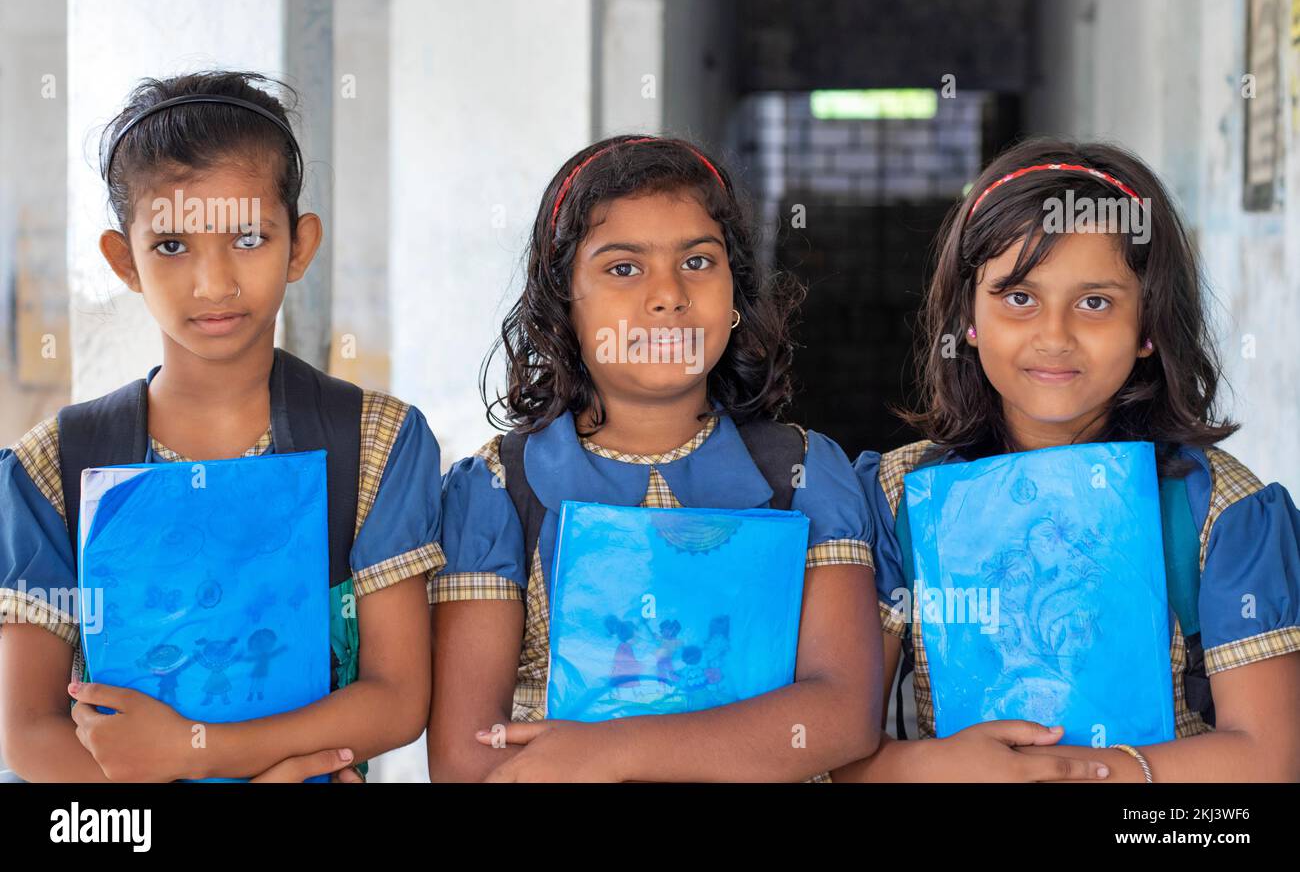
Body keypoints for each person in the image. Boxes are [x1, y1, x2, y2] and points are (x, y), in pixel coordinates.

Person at [0, 71, 442, 782]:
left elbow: (395, 699)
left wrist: (196, 748)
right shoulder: (56, 463)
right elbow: (28, 732)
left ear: (299, 247)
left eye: (246, 238)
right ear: (125, 261)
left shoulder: (375, 442)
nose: (213, 283)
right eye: (172, 246)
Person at [836, 138, 1300, 782]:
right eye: (1018, 297)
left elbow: (1267, 759)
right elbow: (836, 750)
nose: (1054, 336)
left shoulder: (1219, 507)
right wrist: (944, 769)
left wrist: (1078, 772)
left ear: (1148, 328)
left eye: (1095, 302)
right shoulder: (897, 498)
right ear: (969, 315)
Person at [427, 135, 882, 782]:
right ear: (563, 299)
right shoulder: (501, 490)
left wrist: (608, 751)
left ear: (736, 290)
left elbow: (842, 714)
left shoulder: (804, 473)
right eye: (622, 268)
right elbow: (466, 757)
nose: (667, 295)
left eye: (698, 262)